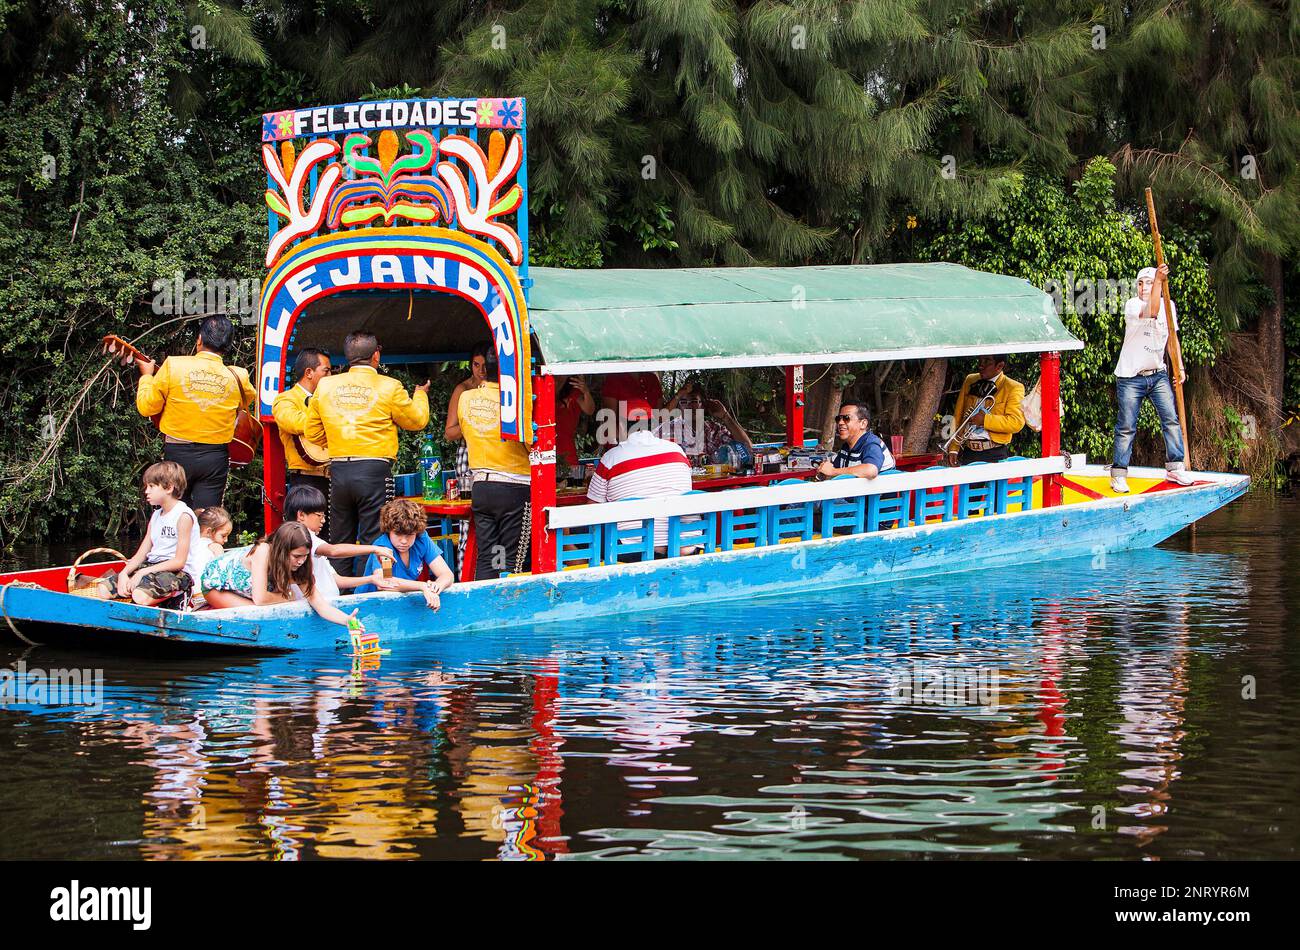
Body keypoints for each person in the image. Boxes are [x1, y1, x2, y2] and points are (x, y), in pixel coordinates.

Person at [304, 331, 430, 574]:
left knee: (340, 539)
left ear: (348, 357)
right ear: (376, 355)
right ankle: (370, 596)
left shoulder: (326, 385)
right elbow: (417, 421)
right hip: (374, 471)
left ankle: (339, 597)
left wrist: (340, 441)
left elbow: (313, 432)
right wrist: (421, 395)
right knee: (375, 540)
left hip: (339, 470)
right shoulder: (389, 386)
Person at [134, 315, 256, 511]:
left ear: (199, 339)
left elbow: (147, 407)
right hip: (215, 456)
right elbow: (245, 401)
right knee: (208, 518)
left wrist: (147, 377)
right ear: (228, 345)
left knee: (173, 514)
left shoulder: (174, 365)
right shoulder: (238, 376)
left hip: (178, 453)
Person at [1110, 264, 1193, 492]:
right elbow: (1152, 312)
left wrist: (1180, 368)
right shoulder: (1133, 305)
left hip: (1157, 374)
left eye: (1148, 282)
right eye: (1140, 283)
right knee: (1126, 426)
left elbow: (1172, 338)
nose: (1143, 287)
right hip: (1130, 377)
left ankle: (1175, 467)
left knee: (1171, 420)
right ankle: (1118, 474)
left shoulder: (1170, 305)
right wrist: (1158, 280)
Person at [199, 522, 365, 631]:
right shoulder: (264, 550)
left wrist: (346, 620)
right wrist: (290, 596)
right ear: (282, 550)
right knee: (256, 614)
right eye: (296, 556)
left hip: (246, 592)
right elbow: (261, 599)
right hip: (216, 586)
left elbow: (321, 605)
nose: (301, 561)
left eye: (305, 556)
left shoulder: (301, 567)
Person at [460, 352, 532, 579]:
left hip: (482, 486)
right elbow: (532, 446)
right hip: (514, 488)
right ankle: (508, 610)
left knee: (490, 556)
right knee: (513, 558)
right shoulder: (516, 401)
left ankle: (486, 608)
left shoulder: (466, 398)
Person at [587, 401, 693, 556]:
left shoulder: (611, 457)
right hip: (687, 545)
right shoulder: (677, 451)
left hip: (635, 548)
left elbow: (591, 510)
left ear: (621, 425)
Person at [113, 461, 204, 607]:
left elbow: (179, 562)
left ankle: (179, 594)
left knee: (140, 596)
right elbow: (141, 554)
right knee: (103, 590)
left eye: (151, 486)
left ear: (168, 488)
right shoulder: (156, 515)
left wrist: (141, 573)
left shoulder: (183, 516)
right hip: (152, 567)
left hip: (178, 573)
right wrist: (124, 573)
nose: (146, 491)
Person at [282, 484, 397, 598]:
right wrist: (375, 549)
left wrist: (371, 579)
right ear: (301, 515)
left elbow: (336, 580)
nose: (323, 520)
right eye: (319, 515)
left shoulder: (313, 543)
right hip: (318, 609)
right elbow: (333, 551)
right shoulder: (304, 537)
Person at [354, 499, 455, 609]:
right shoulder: (383, 548)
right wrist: (423, 586)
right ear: (388, 531)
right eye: (398, 534)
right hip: (369, 606)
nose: (404, 541)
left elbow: (447, 574)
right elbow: (385, 583)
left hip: (399, 605)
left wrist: (435, 587)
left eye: (409, 535)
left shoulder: (422, 539)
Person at [273, 348, 332, 537]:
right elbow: (294, 422)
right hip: (306, 479)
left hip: (335, 478)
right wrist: (327, 418)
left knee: (332, 539)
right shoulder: (285, 399)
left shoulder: (330, 399)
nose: (331, 376)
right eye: (326, 371)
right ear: (309, 373)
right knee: (303, 539)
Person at [444, 342, 492, 573]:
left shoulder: (499, 388)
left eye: (484, 365)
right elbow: (449, 432)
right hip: (469, 455)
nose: (481, 370)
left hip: (495, 457)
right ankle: (465, 571)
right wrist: (475, 422)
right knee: (468, 514)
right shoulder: (463, 390)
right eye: (476, 365)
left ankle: (493, 569)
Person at [946, 355, 1026, 465]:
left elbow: (1016, 422)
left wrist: (985, 420)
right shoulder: (970, 380)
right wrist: (954, 448)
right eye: (980, 360)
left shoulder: (1013, 387)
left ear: (1000, 366)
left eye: (987, 361)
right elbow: (958, 415)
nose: (980, 365)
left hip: (995, 453)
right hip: (968, 451)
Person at [658, 380, 753, 461]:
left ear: (702, 405)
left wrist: (726, 417)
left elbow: (747, 448)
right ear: (679, 406)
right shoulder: (670, 429)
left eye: (694, 401)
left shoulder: (714, 429)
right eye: (683, 402)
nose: (688, 406)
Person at [817, 403, 895, 480]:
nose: (840, 423)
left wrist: (833, 471)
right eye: (838, 419)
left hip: (878, 492)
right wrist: (825, 470)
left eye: (846, 418)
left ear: (863, 424)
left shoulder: (871, 444)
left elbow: (871, 470)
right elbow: (835, 468)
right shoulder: (846, 447)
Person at [599, 371, 663, 450]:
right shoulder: (614, 378)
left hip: (649, 442)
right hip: (622, 443)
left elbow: (659, 417)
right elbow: (609, 419)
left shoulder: (652, 378)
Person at [188, 506, 233, 607]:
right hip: (205, 595)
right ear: (209, 531)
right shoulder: (215, 546)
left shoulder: (190, 543)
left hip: (190, 595)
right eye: (223, 535)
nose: (226, 540)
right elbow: (224, 573)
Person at [555, 375, 596, 472]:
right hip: (543, 451)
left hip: (567, 453)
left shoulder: (573, 392)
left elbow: (589, 410)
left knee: (571, 485)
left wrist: (585, 391)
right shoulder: (540, 389)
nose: (558, 378)